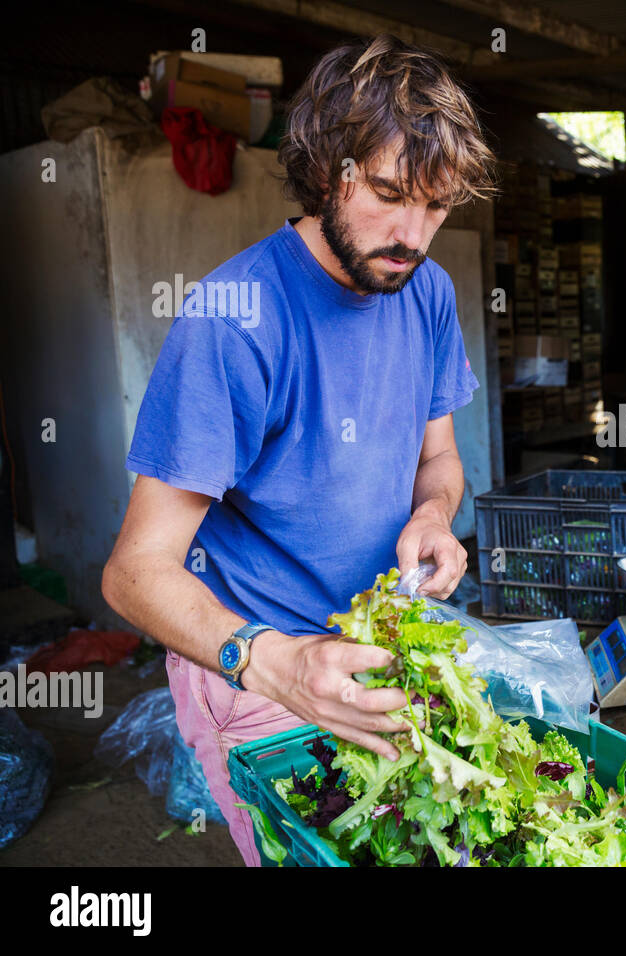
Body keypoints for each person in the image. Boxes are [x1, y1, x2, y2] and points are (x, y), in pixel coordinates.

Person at [101, 34, 496, 865]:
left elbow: (440, 462)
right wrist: (273, 664)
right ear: (327, 171)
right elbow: (135, 573)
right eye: (389, 194)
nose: (413, 233)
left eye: (436, 204)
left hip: (379, 643)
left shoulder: (426, 291)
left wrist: (432, 514)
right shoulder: (233, 319)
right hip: (259, 666)